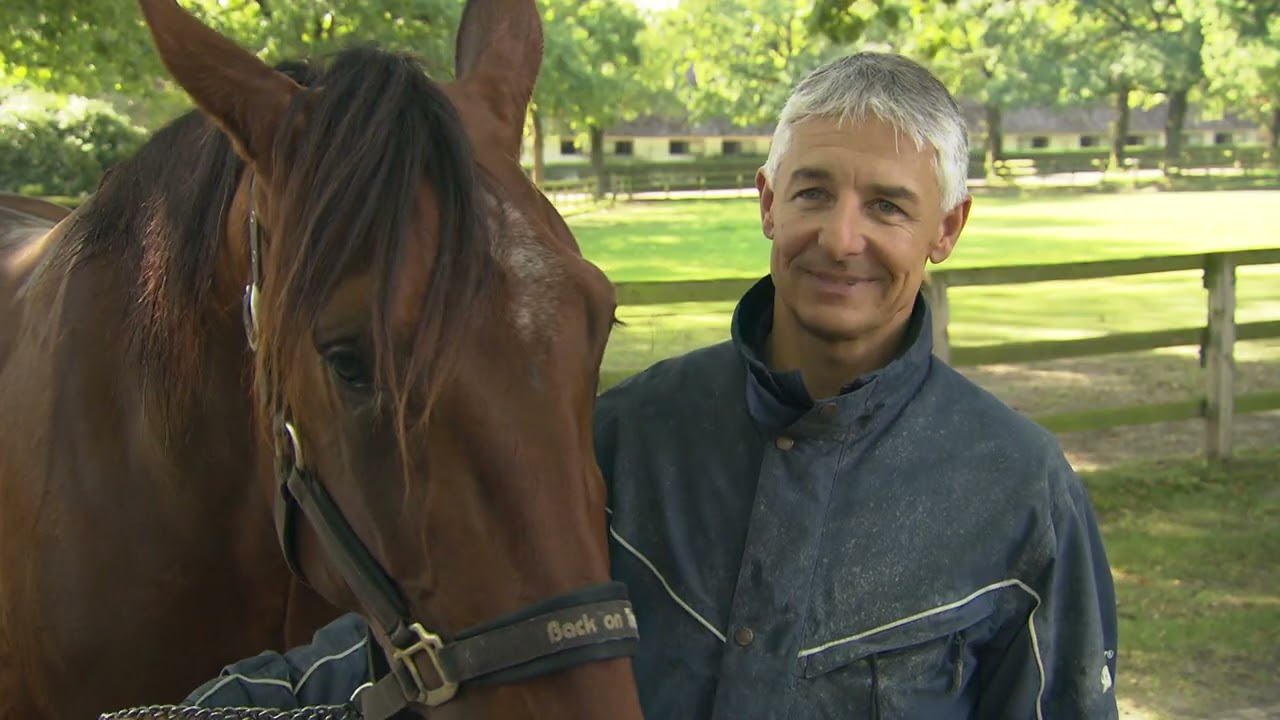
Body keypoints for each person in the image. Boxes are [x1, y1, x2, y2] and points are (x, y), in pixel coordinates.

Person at [181, 51, 1120, 718]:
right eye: (812, 192)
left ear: (946, 230)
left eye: (886, 206)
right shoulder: (623, 440)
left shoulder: (1020, 496)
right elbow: (450, 622)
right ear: (767, 202)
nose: (841, 238)